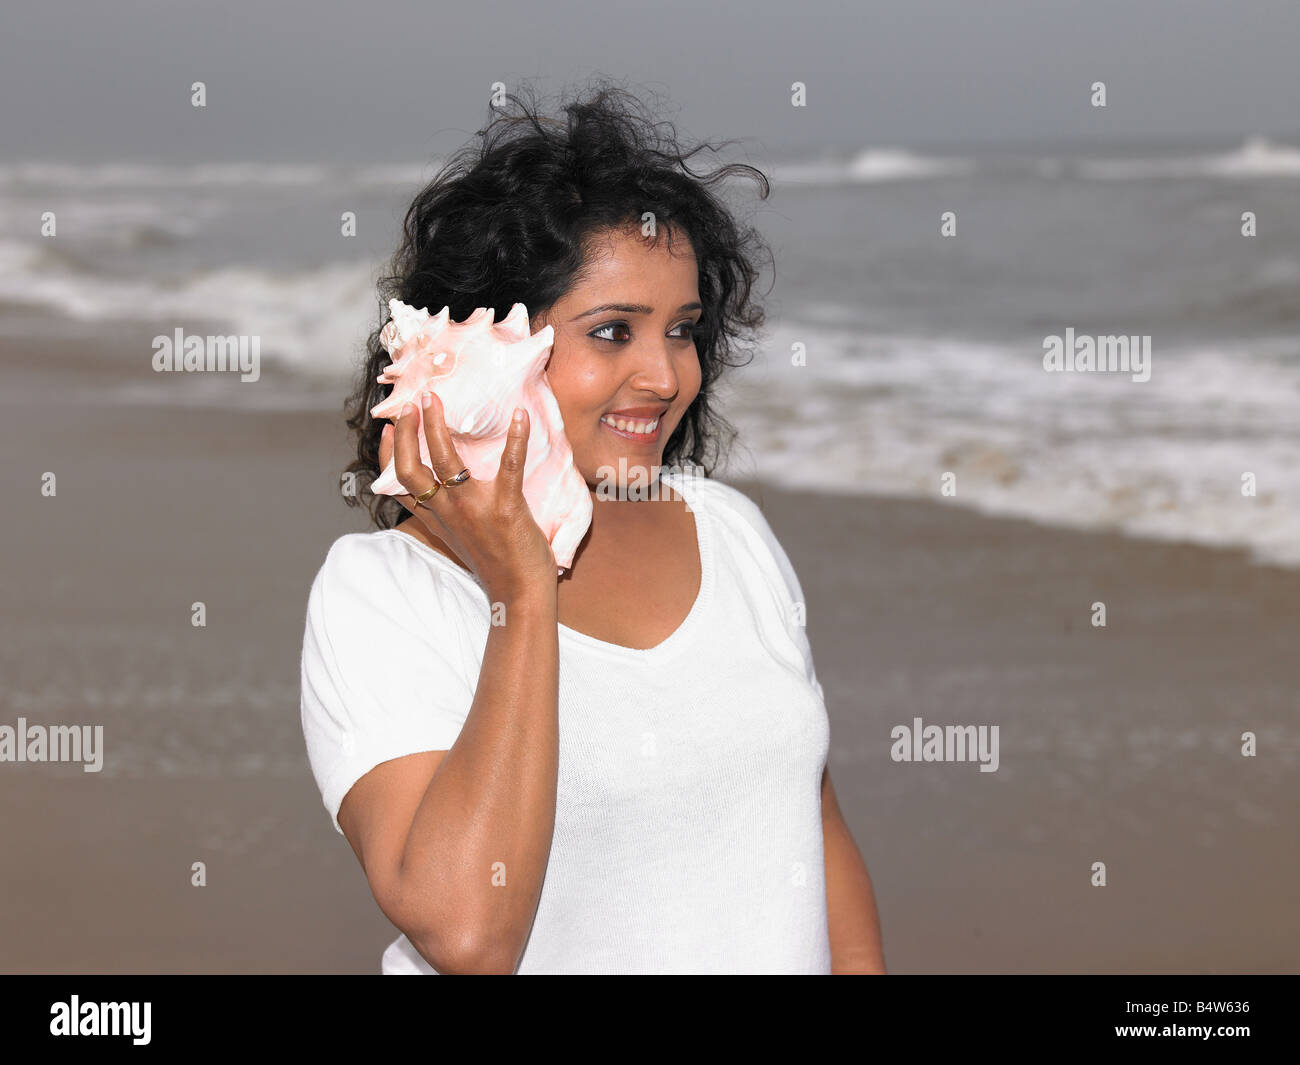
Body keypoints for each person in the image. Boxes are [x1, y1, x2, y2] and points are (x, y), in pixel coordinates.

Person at [299, 82, 885, 974]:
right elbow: (466, 933)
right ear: (491, 341)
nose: (665, 375)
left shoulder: (730, 532)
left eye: (683, 330)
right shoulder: (383, 595)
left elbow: (813, 828)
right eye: (613, 331)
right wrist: (524, 591)